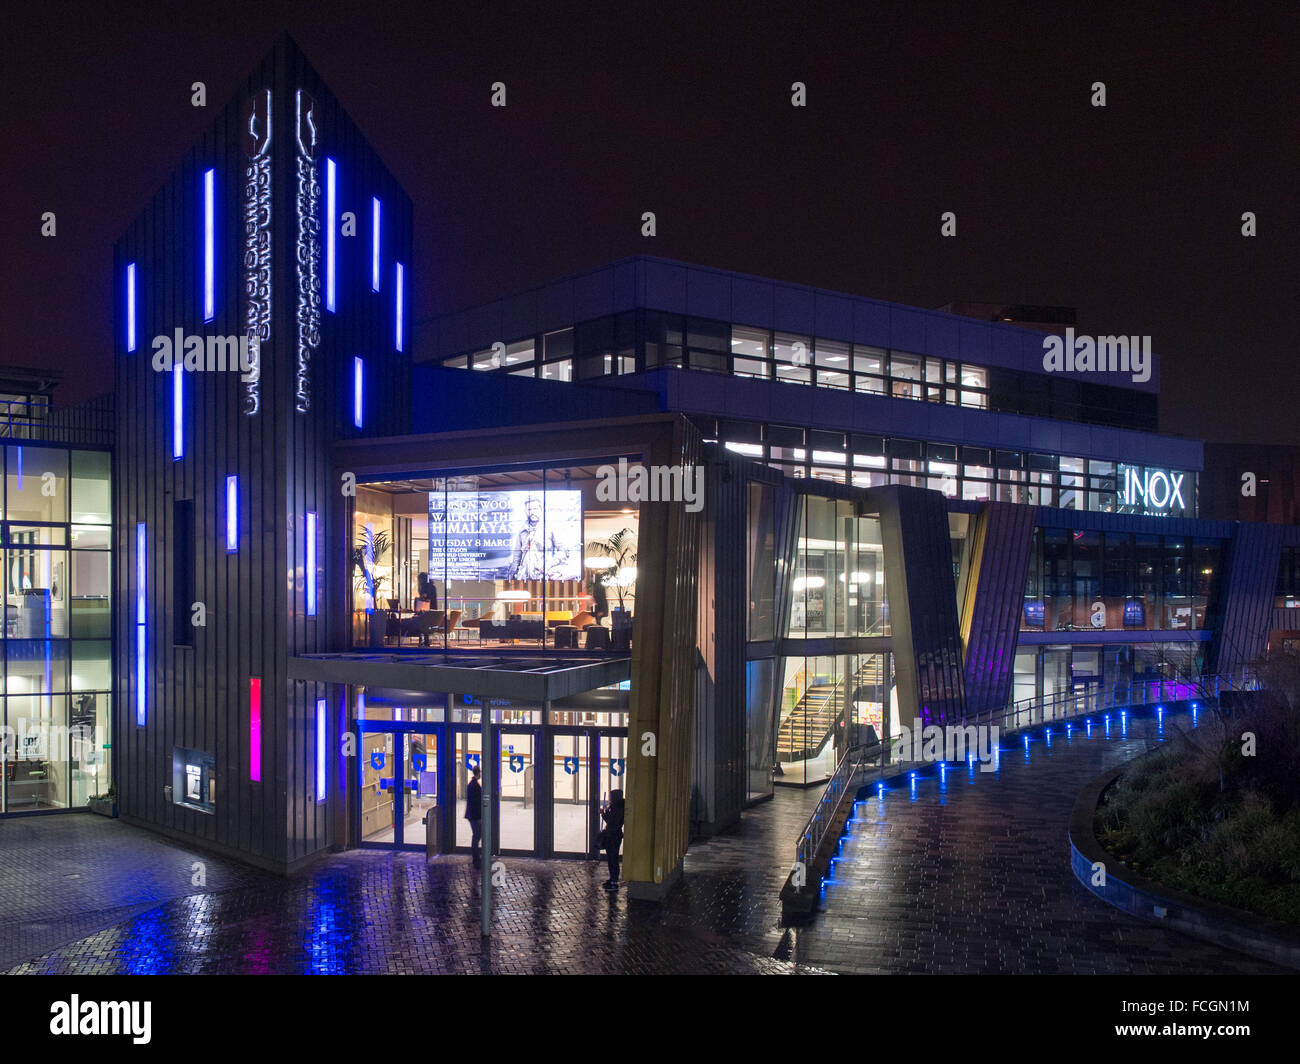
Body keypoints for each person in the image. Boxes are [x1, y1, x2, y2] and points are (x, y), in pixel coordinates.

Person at [600, 789, 625, 890]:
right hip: (615, 835)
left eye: (611, 796)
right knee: (612, 858)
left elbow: (611, 821)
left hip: (612, 835)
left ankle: (614, 881)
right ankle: (612, 878)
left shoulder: (617, 807)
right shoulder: (620, 806)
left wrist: (603, 813)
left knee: (612, 858)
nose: (610, 798)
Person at [465, 764, 482, 867]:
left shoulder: (472, 784)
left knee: (477, 835)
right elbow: (475, 803)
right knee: (477, 835)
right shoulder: (474, 785)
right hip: (474, 815)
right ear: (478, 773)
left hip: (472, 815)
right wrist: (479, 817)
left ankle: (476, 857)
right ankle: (476, 858)